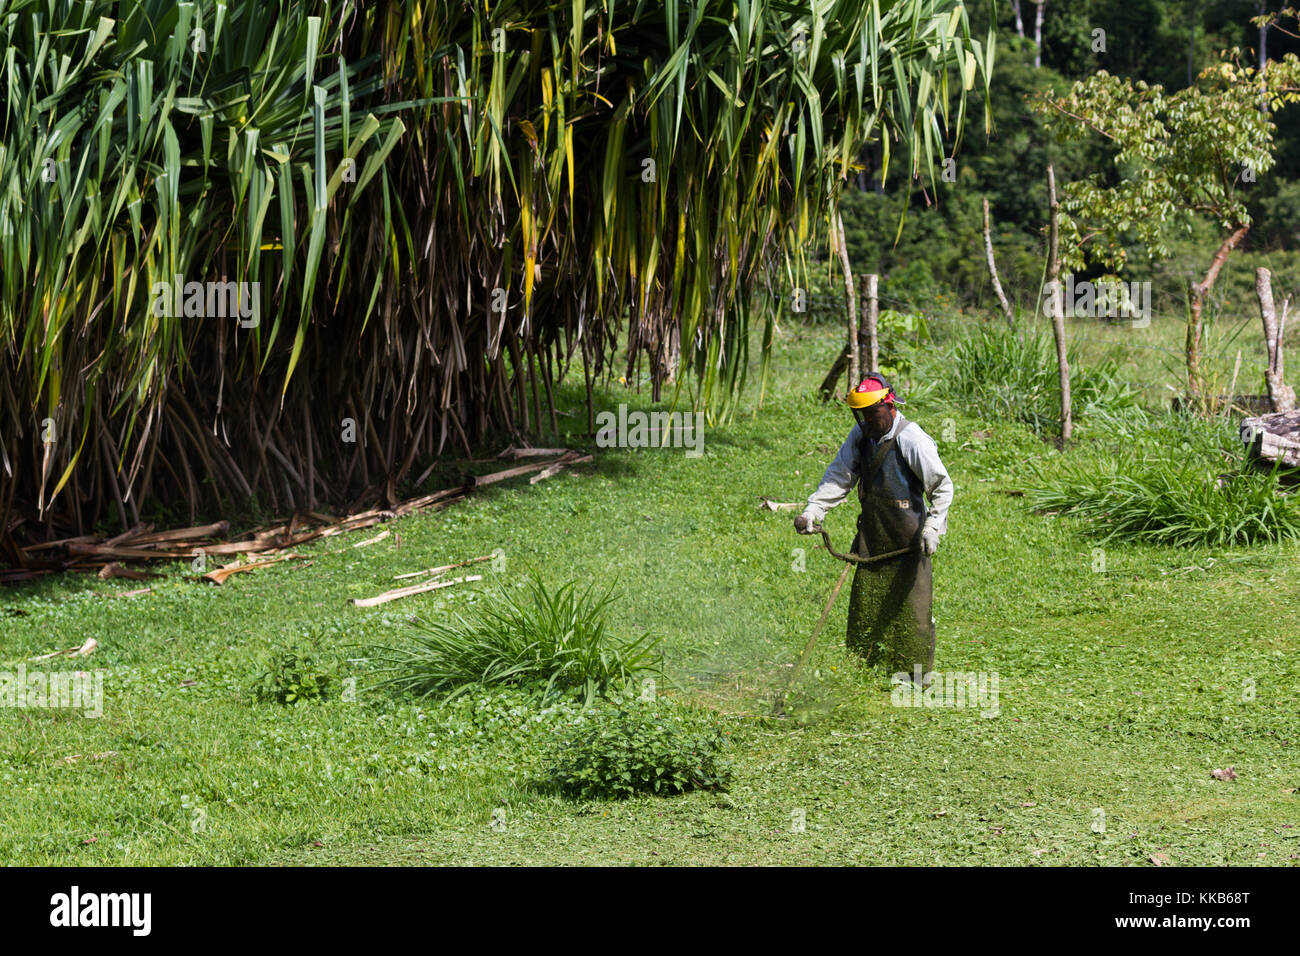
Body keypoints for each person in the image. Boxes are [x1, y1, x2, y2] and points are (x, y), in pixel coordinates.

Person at [794, 374, 953, 677]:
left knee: (912, 610)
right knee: (866, 608)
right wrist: (815, 510)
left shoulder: (912, 439)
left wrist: (933, 528)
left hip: (910, 540)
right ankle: (866, 671)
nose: (866, 420)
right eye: (861, 414)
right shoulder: (861, 435)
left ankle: (914, 676)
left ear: (889, 405)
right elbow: (839, 475)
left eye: (871, 413)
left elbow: (942, 487)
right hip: (872, 536)